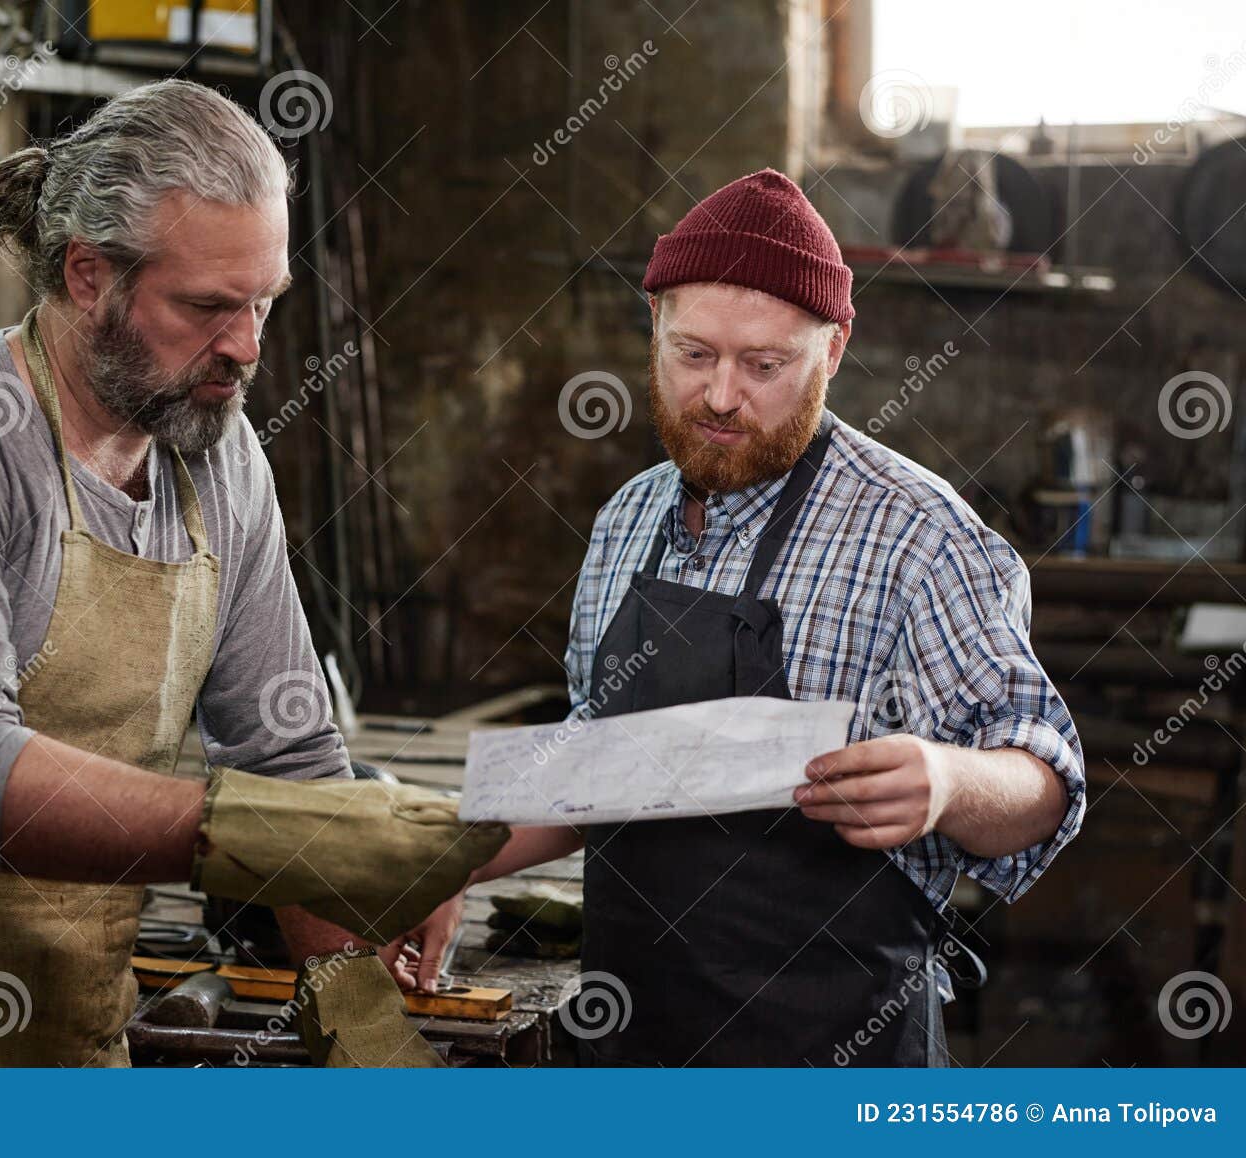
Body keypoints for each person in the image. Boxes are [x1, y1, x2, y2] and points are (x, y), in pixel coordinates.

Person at [0, 80, 505, 1068]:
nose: (247, 349)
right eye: (206, 306)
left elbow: (287, 760)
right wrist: (275, 831)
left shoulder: (221, 458)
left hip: (60, 1044)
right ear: (88, 276)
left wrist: (353, 1000)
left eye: (262, 303)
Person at [455, 169, 1085, 1066]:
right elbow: (600, 767)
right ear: (656, 330)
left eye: (764, 365)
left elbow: (1047, 785)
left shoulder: (919, 536)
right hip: (635, 1052)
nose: (720, 396)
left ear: (832, 353)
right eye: (694, 354)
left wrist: (945, 780)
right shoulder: (628, 520)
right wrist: (442, 866)